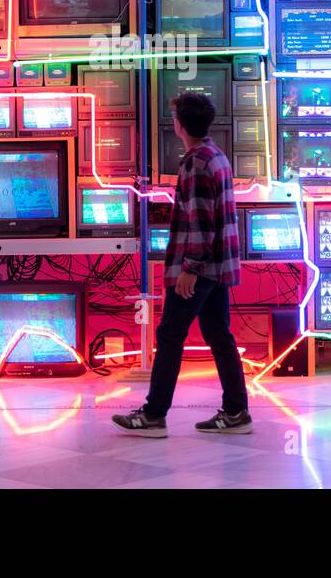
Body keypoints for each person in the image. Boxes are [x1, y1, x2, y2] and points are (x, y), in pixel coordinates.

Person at [112, 93, 251, 437]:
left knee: (170, 334)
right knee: (219, 335)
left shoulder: (196, 164)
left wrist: (189, 268)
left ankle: (154, 415)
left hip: (200, 267)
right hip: (219, 265)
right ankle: (237, 412)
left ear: (179, 124)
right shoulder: (216, 156)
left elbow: (201, 223)